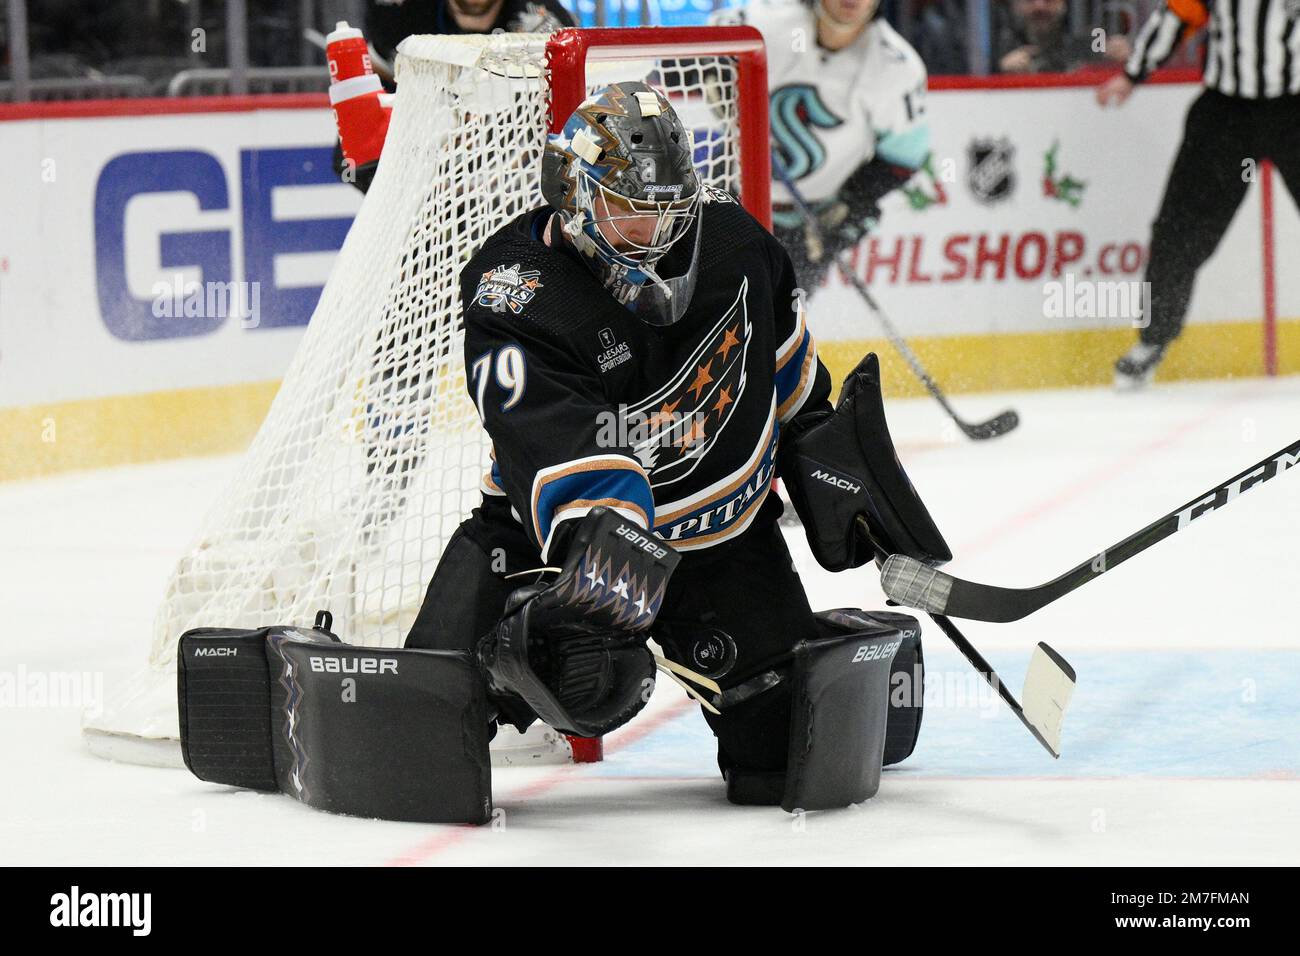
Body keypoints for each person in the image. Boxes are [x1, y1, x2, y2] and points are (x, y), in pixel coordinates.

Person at [404, 82, 941, 806]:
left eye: (668, 215)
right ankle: (505, 662)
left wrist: (833, 463)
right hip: (556, 543)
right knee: (424, 747)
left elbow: (789, 379)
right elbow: (561, 449)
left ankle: (814, 638)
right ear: (573, 193)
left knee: (786, 762)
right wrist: (607, 596)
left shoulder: (736, 246)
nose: (653, 239)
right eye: (629, 216)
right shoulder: (517, 292)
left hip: (722, 540)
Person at [1097, 0, 1300, 387]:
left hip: (1296, 107)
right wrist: (1132, 75)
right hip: (1227, 114)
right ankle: (1153, 340)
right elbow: (1176, 16)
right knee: (1179, 230)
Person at [714, 0, 932, 294]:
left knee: (774, 325)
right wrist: (710, 74)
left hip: (808, 225)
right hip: (728, 200)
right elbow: (682, 56)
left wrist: (850, 204)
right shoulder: (763, 21)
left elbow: (902, 161)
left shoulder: (896, 68)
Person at [332, 0, 575, 192]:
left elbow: (561, 116)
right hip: (420, 120)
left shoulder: (542, 21)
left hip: (503, 138)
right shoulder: (398, 12)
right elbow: (381, 68)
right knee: (352, 161)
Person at [994, 0, 1129, 75]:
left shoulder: (1090, 34)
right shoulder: (994, 37)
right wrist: (1000, 71)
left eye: (1049, 0)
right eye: (1029, 0)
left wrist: (1124, 59)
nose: (1040, 6)